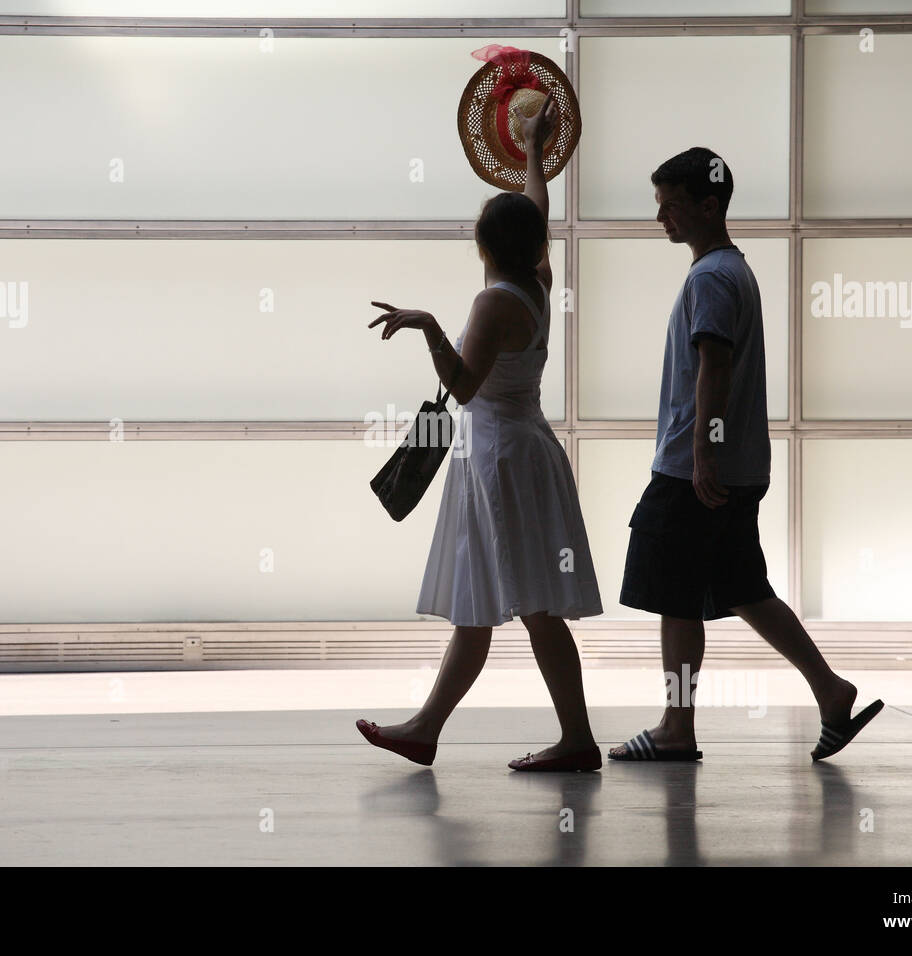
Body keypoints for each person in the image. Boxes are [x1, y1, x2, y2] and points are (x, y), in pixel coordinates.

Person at [611, 147, 882, 764]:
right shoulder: (734, 269)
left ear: (709, 206)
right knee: (741, 586)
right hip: (735, 465)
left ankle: (677, 727)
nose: (662, 219)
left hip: (693, 468)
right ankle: (831, 690)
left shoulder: (709, 276)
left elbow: (714, 363)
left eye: (672, 207)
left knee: (675, 593)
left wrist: (703, 454)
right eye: (660, 207)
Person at [359, 93, 604, 773]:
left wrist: (430, 326)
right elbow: (536, 208)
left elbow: (463, 389)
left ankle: (576, 740)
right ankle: (426, 729)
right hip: (515, 448)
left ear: (482, 246)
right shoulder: (537, 280)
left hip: (499, 455)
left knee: (531, 606)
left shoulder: (493, 301)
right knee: (492, 603)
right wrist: (531, 150)